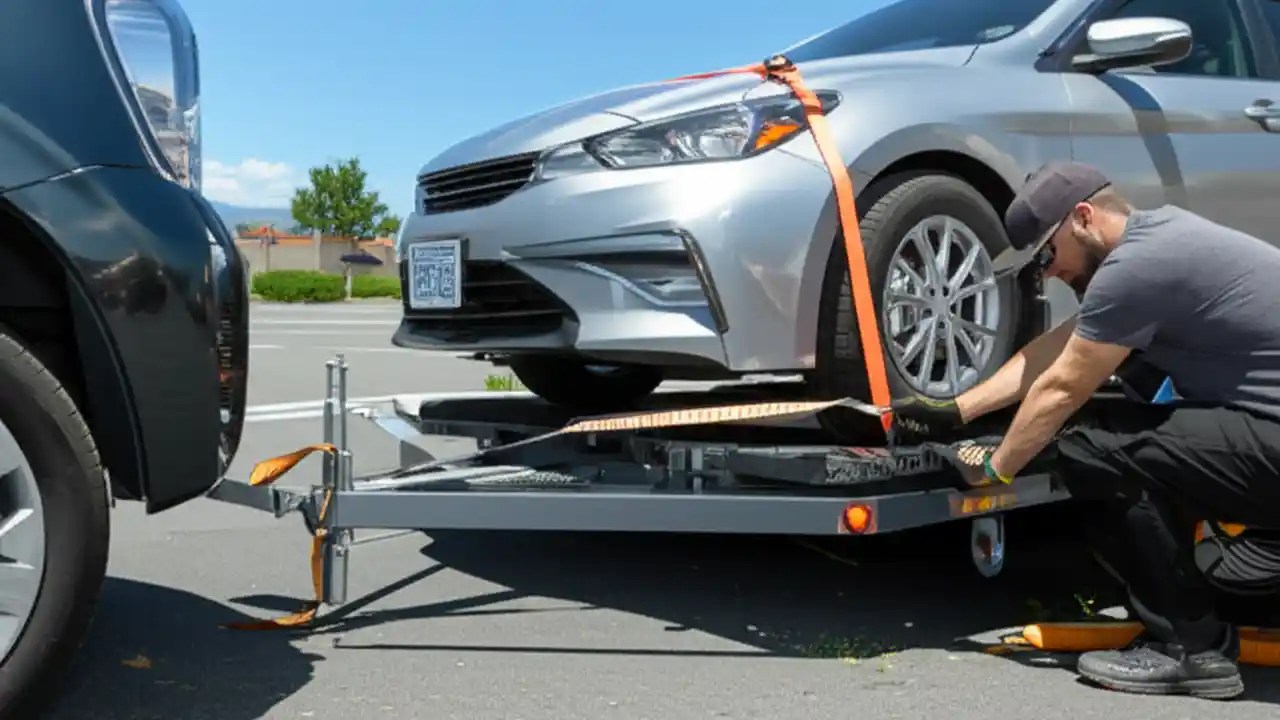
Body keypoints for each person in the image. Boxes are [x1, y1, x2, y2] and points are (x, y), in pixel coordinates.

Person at [889, 161, 1280, 700]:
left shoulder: (1137, 267)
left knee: (1092, 447)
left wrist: (995, 471)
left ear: (1083, 218)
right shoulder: (1161, 241)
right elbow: (1054, 352)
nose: (1049, 273)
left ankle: (1190, 650)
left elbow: (1062, 388)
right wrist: (958, 410)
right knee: (1125, 433)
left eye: (1047, 255)